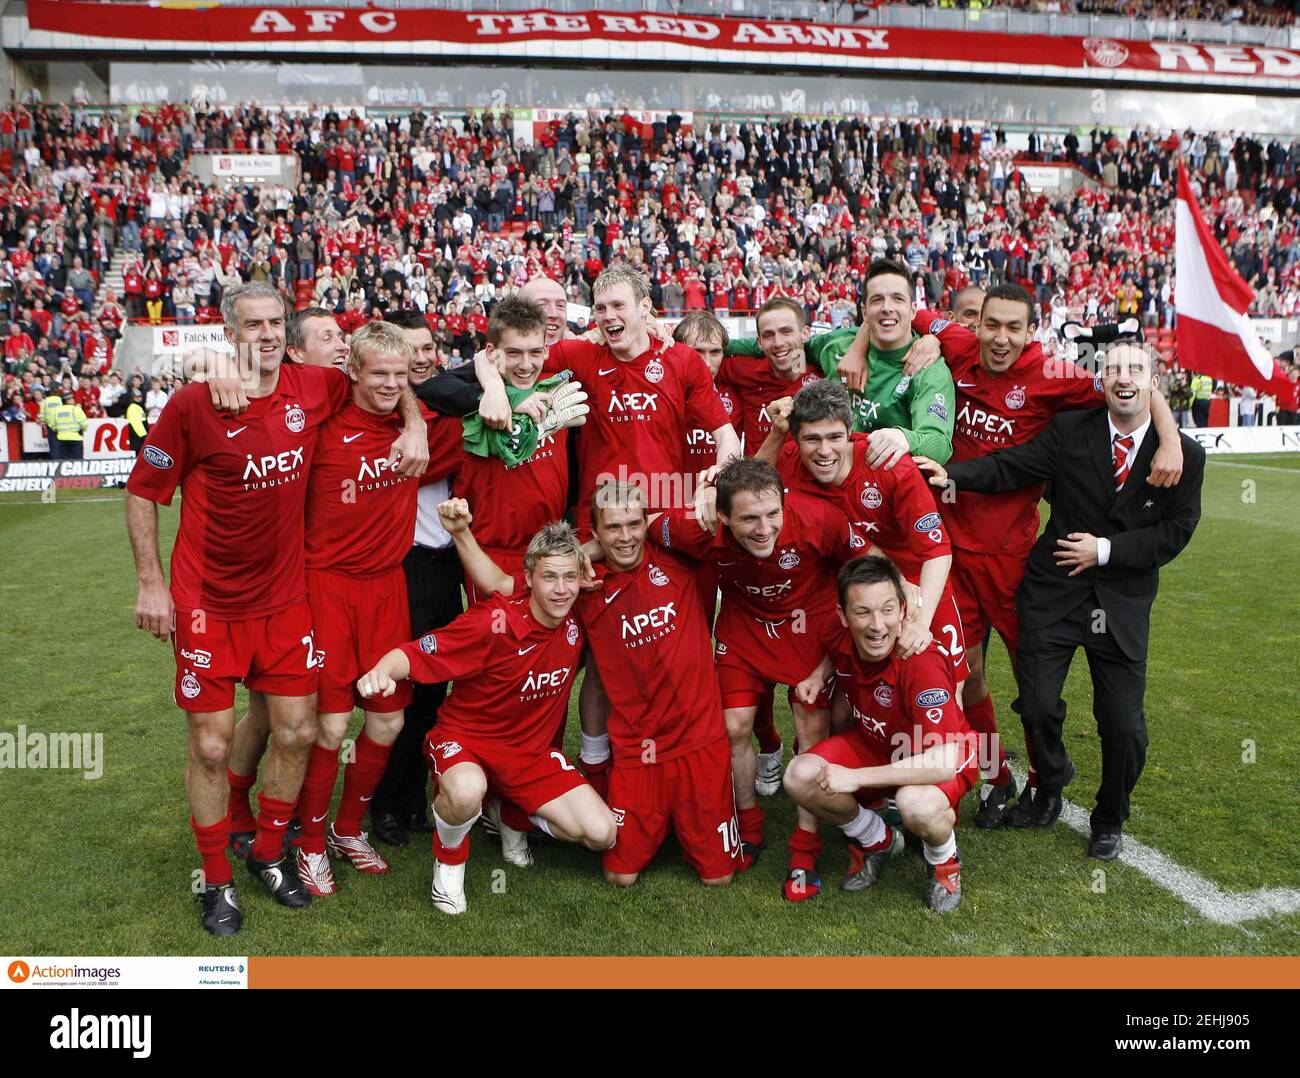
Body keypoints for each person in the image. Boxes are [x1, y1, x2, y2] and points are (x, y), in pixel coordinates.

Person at [126, 282, 428, 936]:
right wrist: (150, 583)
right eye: (250, 325)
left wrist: (412, 420)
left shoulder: (315, 387)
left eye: (272, 324)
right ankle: (214, 877)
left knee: (295, 731)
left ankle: (268, 850)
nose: (263, 334)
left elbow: (389, 378)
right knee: (209, 743)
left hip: (287, 600)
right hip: (207, 603)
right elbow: (144, 490)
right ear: (229, 332)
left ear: (284, 333)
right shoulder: (194, 402)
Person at [903, 285, 1184, 825]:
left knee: (1032, 683)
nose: (1001, 338)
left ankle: (1043, 778)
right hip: (945, 552)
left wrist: (1168, 435)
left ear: (1031, 332)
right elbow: (891, 309)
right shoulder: (956, 343)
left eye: (1014, 328)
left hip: (1011, 557)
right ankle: (991, 774)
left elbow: (1126, 385)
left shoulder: (1054, 374)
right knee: (963, 674)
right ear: (975, 324)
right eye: (992, 325)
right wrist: (882, 339)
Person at [445, 480, 740, 887]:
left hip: (700, 741)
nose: (626, 536)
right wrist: (461, 532)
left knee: (718, 880)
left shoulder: (679, 557)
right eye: (613, 528)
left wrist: (706, 489)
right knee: (620, 875)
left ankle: (709, 825)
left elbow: (734, 511)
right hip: (639, 752)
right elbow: (502, 585)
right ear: (595, 532)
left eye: (633, 524)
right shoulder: (580, 587)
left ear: (646, 522)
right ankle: (513, 812)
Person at [356, 522, 617, 916]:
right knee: (464, 790)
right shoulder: (492, 623)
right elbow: (415, 653)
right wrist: (380, 671)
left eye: (569, 577)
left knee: (602, 833)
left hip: (529, 756)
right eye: (549, 577)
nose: (561, 589)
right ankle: (449, 861)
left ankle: (506, 814)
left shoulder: (578, 618)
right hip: (466, 742)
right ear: (528, 578)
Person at [651, 457, 854, 883]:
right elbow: (645, 526)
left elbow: (860, 564)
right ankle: (747, 823)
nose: (763, 528)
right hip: (745, 627)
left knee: (810, 720)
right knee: (734, 726)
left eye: (772, 514)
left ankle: (806, 844)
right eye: (748, 518)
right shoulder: (698, 527)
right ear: (722, 516)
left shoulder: (819, 519)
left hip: (808, 622)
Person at [293, 322, 423, 897]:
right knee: (329, 723)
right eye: (380, 374)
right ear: (353, 372)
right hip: (327, 588)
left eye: (401, 375)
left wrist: (415, 420)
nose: (391, 384)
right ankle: (310, 842)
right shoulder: (321, 423)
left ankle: (349, 830)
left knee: (389, 718)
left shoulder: (414, 425)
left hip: (387, 588)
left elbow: (459, 392)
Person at [784, 555, 978, 911]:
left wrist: (855, 778)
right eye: (863, 613)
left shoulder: (921, 661)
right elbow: (835, 652)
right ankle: (877, 839)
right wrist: (817, 675)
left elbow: (942, 762)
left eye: (888, 609)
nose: (877, 625)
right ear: (843, 616)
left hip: (936, 754)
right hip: (878, 742)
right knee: (799, 776)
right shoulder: (835, 631)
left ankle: (944, 861)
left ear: (904, 610)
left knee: (915, 805)